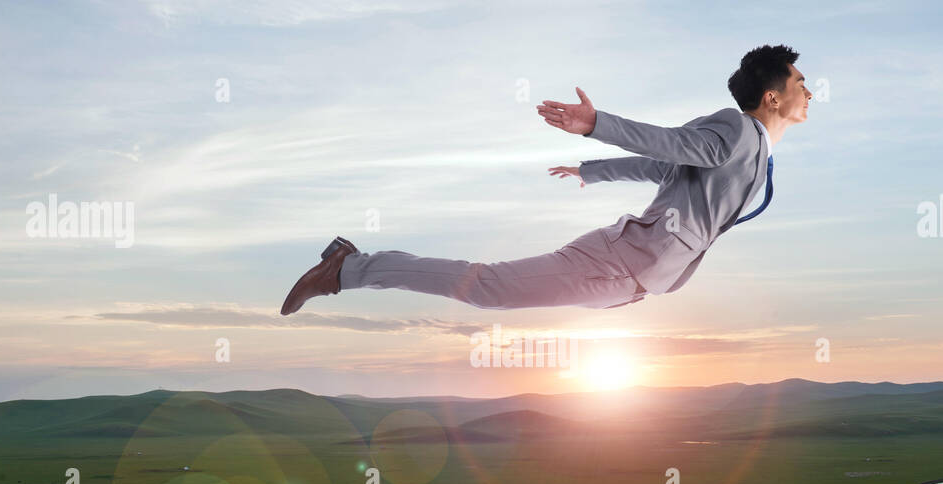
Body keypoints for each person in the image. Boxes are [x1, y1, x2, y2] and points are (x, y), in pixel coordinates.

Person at [279, 44, 809, 315]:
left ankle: (351, 267)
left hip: (630, 280)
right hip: (622, 261)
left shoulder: (754, 152)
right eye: (802, 84)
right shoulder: (737, 130)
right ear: (773, 96)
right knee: (487, 288)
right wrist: (597, 125)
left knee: (492, 292)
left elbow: (665, 166)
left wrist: (593, 172)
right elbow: (671, 145)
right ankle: (349, 268)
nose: (810, 92)